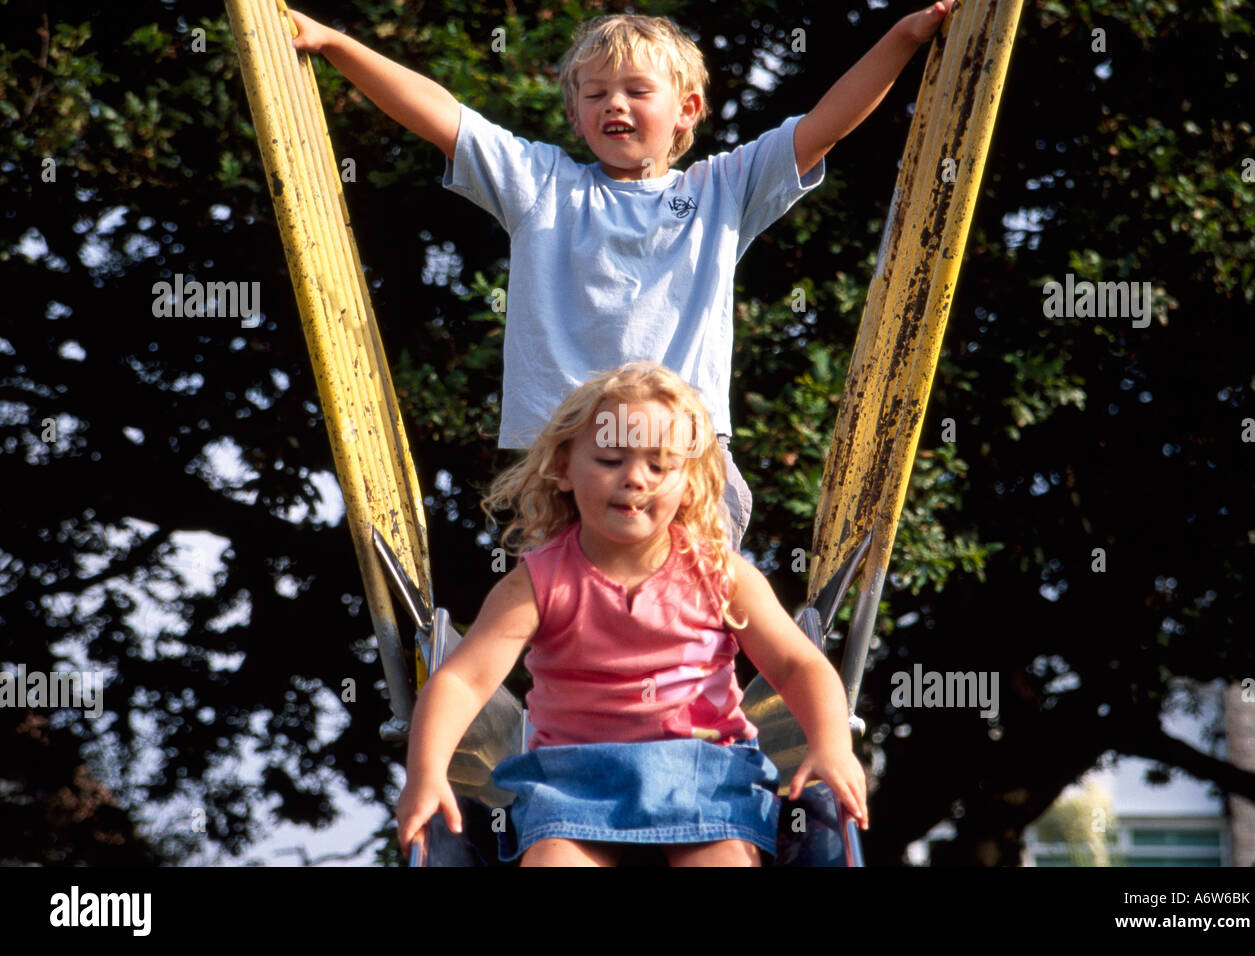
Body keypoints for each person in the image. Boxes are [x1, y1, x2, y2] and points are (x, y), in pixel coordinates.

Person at [286, 4, 954, 547]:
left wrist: (904, 36)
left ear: (686, 109)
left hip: (683, 445)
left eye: (637, 90)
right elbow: (442, 116)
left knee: (689, 604)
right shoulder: (543, 185)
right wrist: (333, 43)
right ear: (576, 116)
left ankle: (701, 665)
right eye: (596, 93)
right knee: (568, 611)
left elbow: (825, 125)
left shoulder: (721, 190)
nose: (615, 104)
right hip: (566, 450)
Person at [394, 362, 868, 866]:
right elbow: (463, 681)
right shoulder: (536, 583)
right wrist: (426, 773)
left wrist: (832, 745)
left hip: (702, 771)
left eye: (659, 467)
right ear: (562, 467)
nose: (635, 479)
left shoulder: (720, 574)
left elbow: (798, 665)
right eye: (609, 459)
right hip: (574, 780)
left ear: (689, 483)